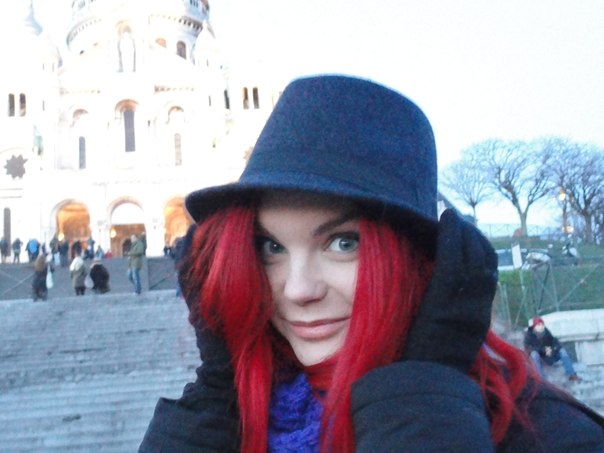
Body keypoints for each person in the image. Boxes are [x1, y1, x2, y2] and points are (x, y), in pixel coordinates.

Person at [139, 75, 604, 452]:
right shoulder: (241, 409)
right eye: (270, 247)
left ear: (424, 261)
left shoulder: (549, 435)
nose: (298, 289)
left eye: (343, 243)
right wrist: (218, 388)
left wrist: (423, 398)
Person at [524, 317, 581, 382]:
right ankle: (540, 379)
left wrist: (553, 349)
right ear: (534, 327)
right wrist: (541, 350)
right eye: (539, 325)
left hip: (550, 356)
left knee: (562, 351)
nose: (541, 327)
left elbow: (556, 343)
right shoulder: (529, 335)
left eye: (542, 324)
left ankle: (571, 374)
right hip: (540, 358)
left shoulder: (546, 332)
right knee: (534, 354)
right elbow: (528, 348)